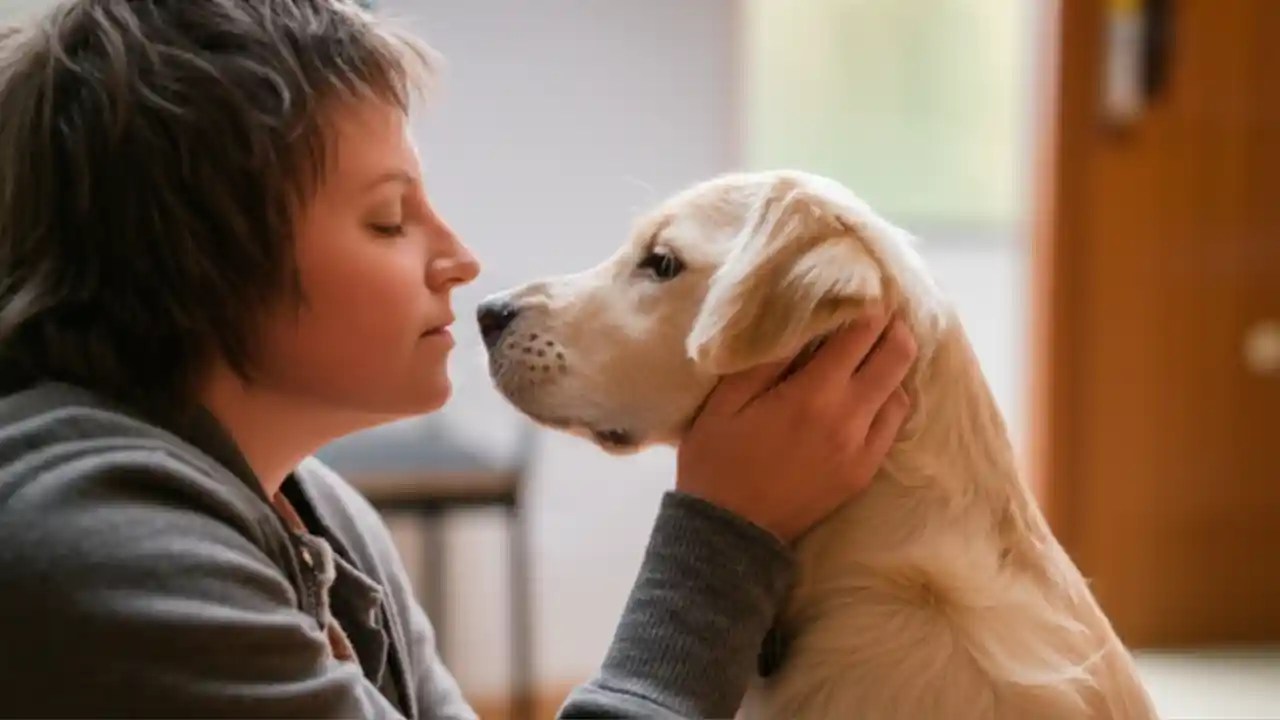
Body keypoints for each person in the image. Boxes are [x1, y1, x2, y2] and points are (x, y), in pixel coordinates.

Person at [0, 1, 917, 718]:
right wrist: (724, 533)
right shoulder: (93, 547)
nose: (460, 259)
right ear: (197, 257)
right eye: (390, 219)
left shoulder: (323, 517)